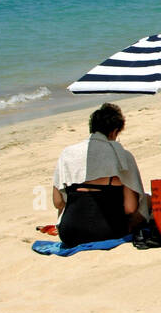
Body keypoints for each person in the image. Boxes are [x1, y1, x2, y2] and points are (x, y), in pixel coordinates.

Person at [52, 103, 147, 247]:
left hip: (69, 232)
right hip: (108, 230)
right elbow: (130, 208)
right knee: (145, 200)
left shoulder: (67, 153)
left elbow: (58, 202)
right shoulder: (122, 156)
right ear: (114, 132)